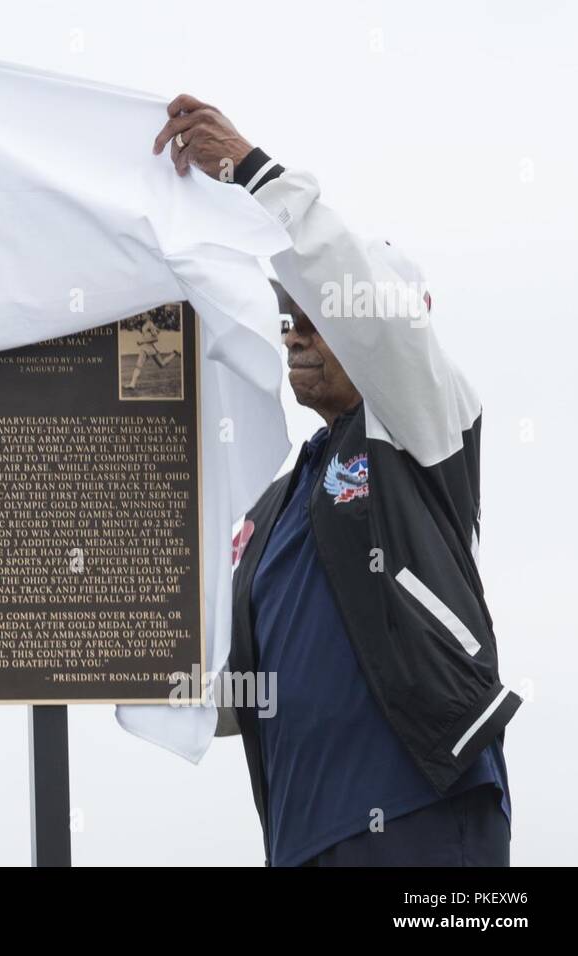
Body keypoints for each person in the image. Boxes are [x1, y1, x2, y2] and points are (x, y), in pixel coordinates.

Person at [157, 95, 519, 866]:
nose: (295, 330)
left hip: (428, 811)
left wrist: (256, 177)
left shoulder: (419, 425)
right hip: (302, 837)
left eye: (317, 312)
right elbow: (225, 700)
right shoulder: (270, 509)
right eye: (288, 315)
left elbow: (378, 319)